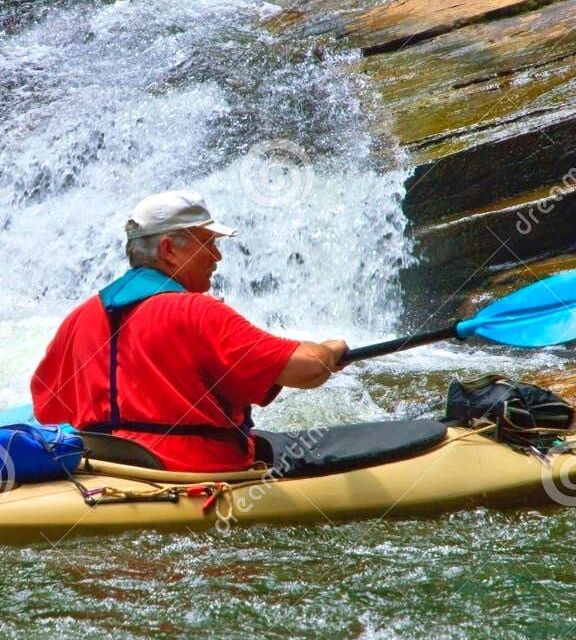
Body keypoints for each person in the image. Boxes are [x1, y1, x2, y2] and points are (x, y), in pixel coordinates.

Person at [30, 190, 347, 471]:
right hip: (194, 475)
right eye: (207, 243)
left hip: (106, 470)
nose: (217, 256)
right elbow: (309, 369)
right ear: (169, 249)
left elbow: (47, 409)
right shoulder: (198, 312)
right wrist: (331, 349)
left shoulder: (80, 318)